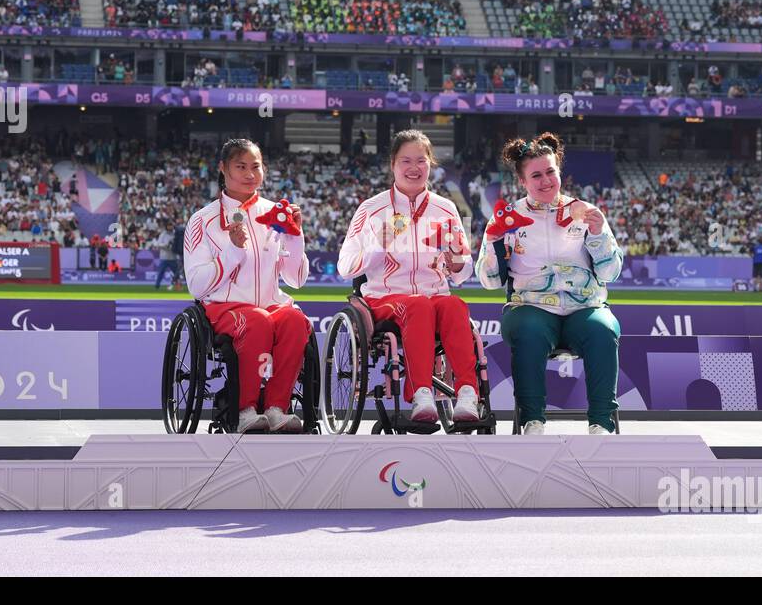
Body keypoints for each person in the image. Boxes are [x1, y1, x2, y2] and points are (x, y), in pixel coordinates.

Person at [475, 133, 623, 435]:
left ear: (559, 172)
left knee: (604, 329)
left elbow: (610, 273)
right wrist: (492, 241)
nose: (545, 181)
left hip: (584, 305)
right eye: (536, 175)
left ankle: (601, 424)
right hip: (531, 306)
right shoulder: (509, 218)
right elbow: (489, 282)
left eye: (550, 172)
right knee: (528, 331)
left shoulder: (586, 212)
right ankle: (533, 421)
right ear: (523, 182)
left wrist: (597, 235)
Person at [337, 129, 479, 424]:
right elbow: (346, 267)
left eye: (421, 161)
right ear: (392, 164)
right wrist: (379, 244)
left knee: (455, 306)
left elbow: (463, 273)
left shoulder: (447, 208)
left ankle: (467, 392)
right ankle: (421, 394)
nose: (414, 168)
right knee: (418, 305)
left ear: (430, 164)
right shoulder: (371, 209)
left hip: (436, 295)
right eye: (405, 161)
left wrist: (456, 262)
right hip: (385, 298)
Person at [183, 139, 311, 433]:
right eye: (240, 166)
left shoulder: (275, 215)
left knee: (294, 320)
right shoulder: (202, 221)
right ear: (223, 169)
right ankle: (245, 410)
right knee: (257, 321)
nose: (250, 174)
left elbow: (296, 280)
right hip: (224, 308)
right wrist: (233, 252)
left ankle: (277, 408)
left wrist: (295, 235)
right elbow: (197, 285)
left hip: (270, 305)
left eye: (255, 166)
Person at [155, 222, 184, 290]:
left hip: (173, 257)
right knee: (160, 272)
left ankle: (179, 286)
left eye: (171, 226)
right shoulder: (163, 234)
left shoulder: (175, 234)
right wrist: (166, 245)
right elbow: (158, 244)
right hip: (164, 257)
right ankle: (157, 286)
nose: (170, 227)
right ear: (166, 226)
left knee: (176, 273)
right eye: (169, 226)